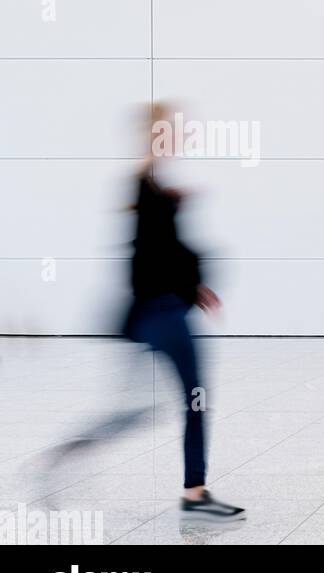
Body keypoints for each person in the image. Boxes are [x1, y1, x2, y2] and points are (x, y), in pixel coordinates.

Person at [46, 102, 244, 522]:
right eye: (175, 129)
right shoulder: (143, 185)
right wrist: (191, 282)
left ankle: (74, 453)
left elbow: (159, 249)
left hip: (158, 311)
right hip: (162, 312)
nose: (184, 135)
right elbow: (149, 259)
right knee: (193, 397)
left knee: (151, 406)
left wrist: (193, 278)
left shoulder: (150, 186)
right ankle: (193, 493)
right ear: (157, 134)